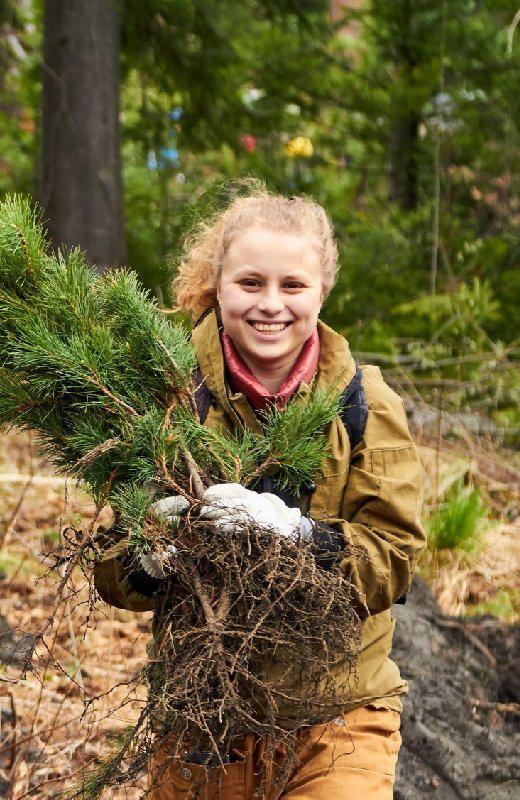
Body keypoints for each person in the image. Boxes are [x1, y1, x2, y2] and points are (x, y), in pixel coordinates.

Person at [95, 186, 426, 799]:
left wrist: (300, 537)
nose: (270, 305)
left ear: (322, 291)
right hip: (203, 716)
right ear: (218, 287)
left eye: (292, 286)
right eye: (250, 283)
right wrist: (146, 553)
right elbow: (111, 571)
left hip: (338, 715)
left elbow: (395, 558)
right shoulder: (167, 396)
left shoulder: (365, 403)